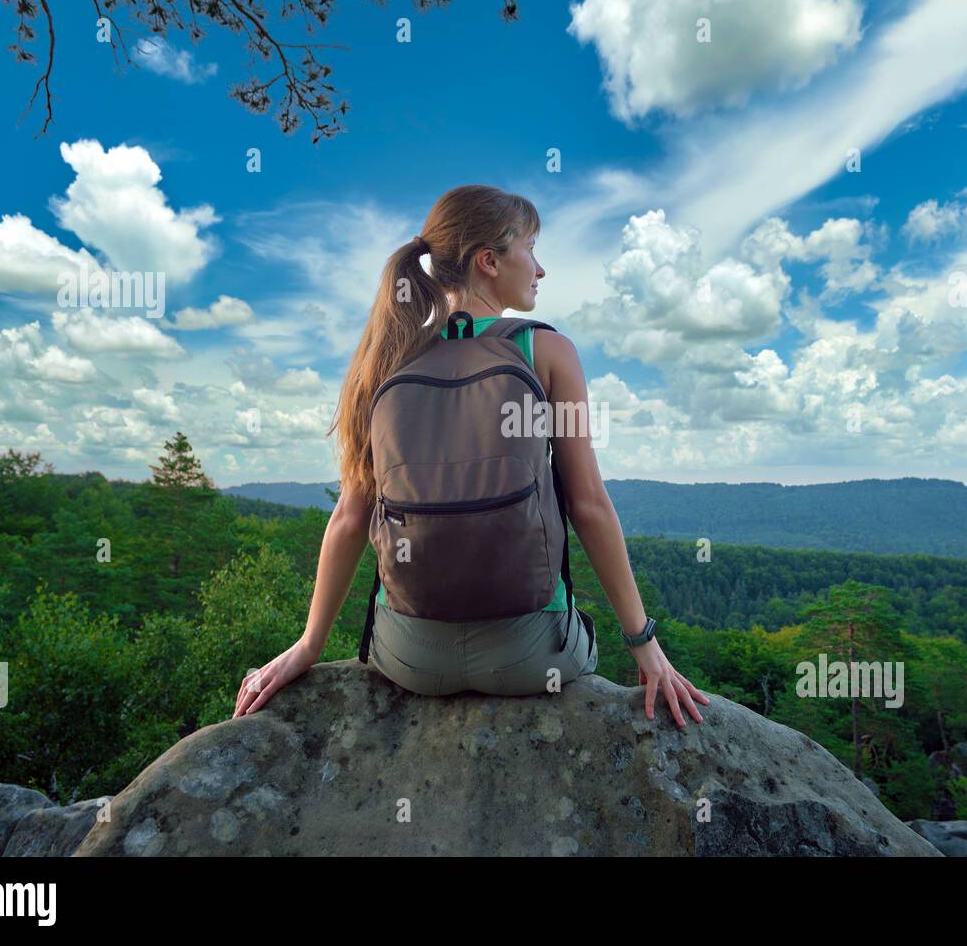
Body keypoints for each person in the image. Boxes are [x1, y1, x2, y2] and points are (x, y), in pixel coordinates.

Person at [233, 185, 709, 727]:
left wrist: (308, 646)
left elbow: (349, 517)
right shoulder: (547, 351)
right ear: (489, 260)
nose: (542, 269)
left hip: (410, 660)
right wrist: (644, 646)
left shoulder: (388, 355)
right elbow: (590, 504)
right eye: (531, 248)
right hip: (531, 659)